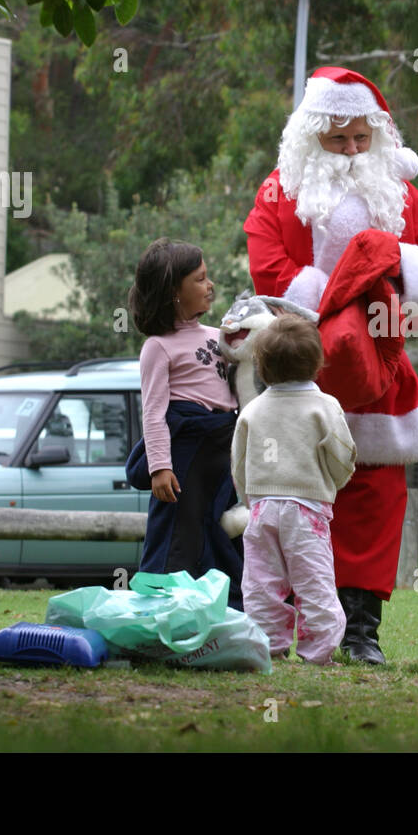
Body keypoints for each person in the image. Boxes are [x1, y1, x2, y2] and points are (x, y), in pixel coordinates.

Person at [244, 67, 418, 663]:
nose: (350, 151)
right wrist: (325, 298)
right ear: (312, 135)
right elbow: (267, 265)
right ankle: (284, 627)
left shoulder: (395, 190)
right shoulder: (279, 190)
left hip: (378, 369)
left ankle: (361, 629)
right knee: (292, 491)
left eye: (361, 139)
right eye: (338, 139)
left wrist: (390, 280)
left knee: (374, 496)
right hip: (301, 363)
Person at [231, 315, 357, 664]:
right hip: (307, 511)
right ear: (317, 364)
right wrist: (332, 483)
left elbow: (239, 463)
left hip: (262, 508)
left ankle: (268, 644)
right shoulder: (324, 407)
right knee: (314, 580)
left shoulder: (253, 410)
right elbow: (342, 457)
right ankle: (318, 650)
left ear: (262, 368)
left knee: (261, 582)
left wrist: (248, 498)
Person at [125, 238, 243, 610]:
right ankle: (164, 613)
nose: (210, 286)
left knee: (224, 530)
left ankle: (230, 610)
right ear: (173, 292)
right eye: (200, 279)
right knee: (180, 533)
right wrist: (160, 467)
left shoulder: (220, 337)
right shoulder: (158, 346)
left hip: (224, 450)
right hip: (185, 459)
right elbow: (155, 413)